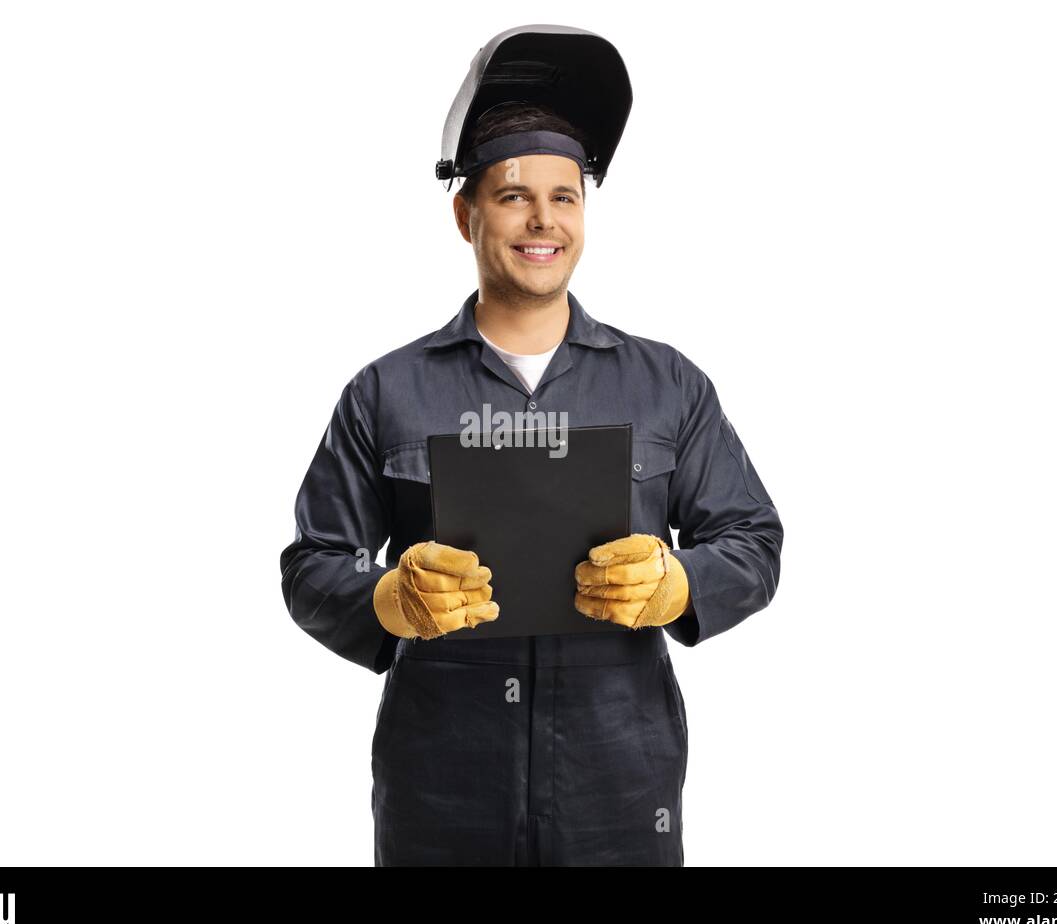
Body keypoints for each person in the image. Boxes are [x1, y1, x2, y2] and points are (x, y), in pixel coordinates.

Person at [279, 30, 783, 866]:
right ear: (465, 214)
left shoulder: (669, 385)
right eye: (514, 196)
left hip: (619, 796)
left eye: (566, 195)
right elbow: (311, 565)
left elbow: (755, 542)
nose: (544, 219)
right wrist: (384, 602)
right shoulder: (385, 392)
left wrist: (679, 582)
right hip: (441, 795)